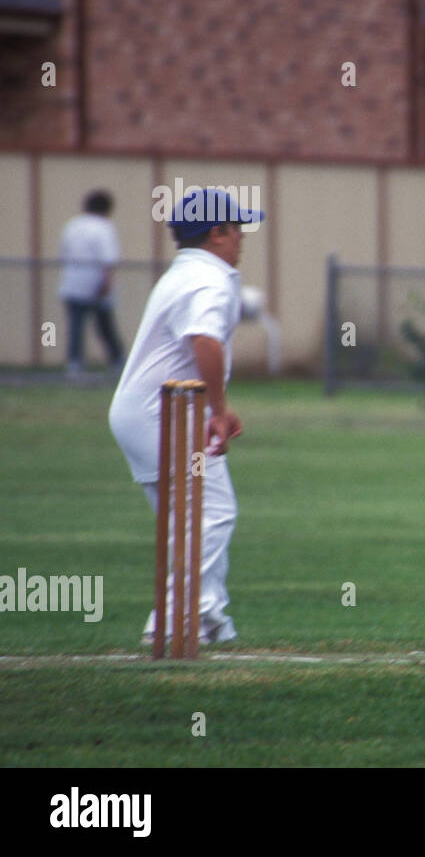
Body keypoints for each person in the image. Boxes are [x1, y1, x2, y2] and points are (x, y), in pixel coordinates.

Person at [109, 188, 263, 648]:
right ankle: (176, 619)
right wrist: (219, 411)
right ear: (217, 233)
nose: (241, 238)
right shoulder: (209, 280)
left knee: (194, 518)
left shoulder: (186, 272)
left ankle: (209, 617)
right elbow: (205, 341)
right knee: (213, 512)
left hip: (145, 411)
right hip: (167, 412)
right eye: (236, 228)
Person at [58, 189, 124, 376]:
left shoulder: (72, 225)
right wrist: (107, 284)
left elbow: (63, 252)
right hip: (95, 281)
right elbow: (108, 259)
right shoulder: (103, 227)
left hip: (71, 281)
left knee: (76, 325)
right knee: (105, 324)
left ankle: (74, 362)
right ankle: (117, 359)